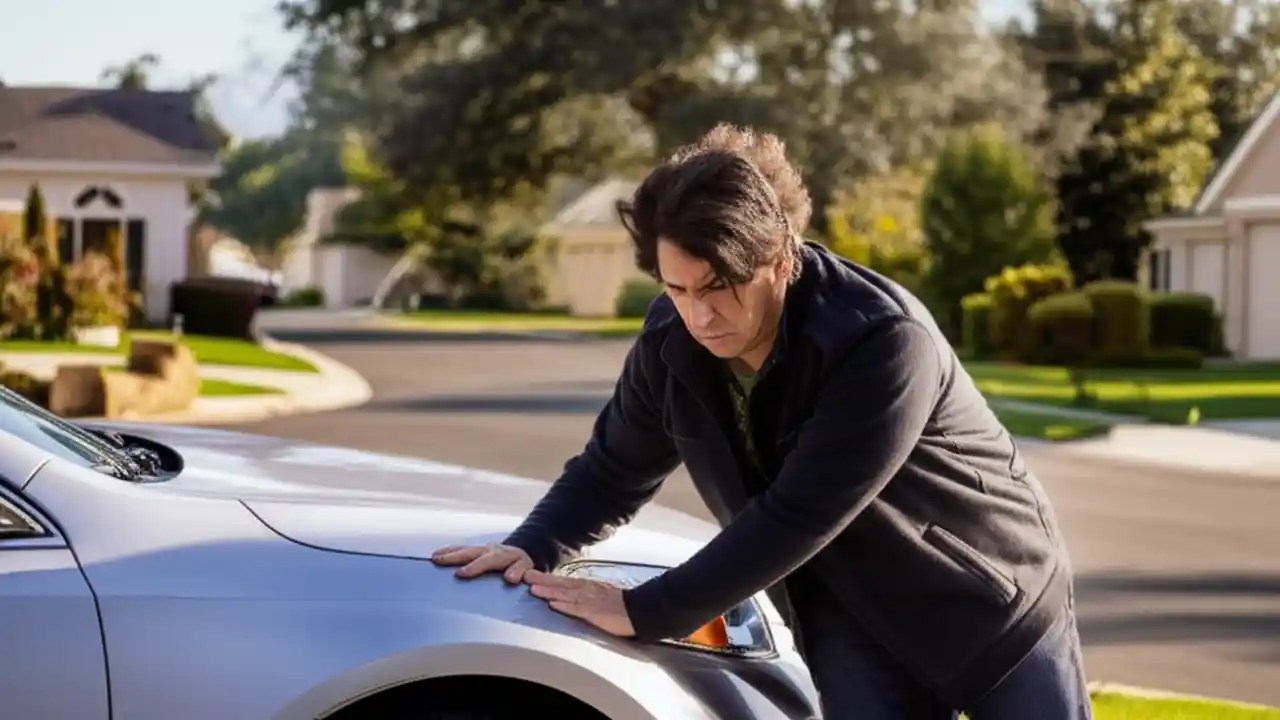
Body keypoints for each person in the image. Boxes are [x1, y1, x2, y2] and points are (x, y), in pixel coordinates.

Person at [431, 124, 1091, 719]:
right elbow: (613, 469)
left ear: (781, 258)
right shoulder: (672, 341)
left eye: (720, 286)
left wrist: (646, 610)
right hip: (844, 614)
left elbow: (796, 514)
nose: (700, 316)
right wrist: (536, 543)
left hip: (988, 602)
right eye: (678, 289)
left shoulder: (881, 341)